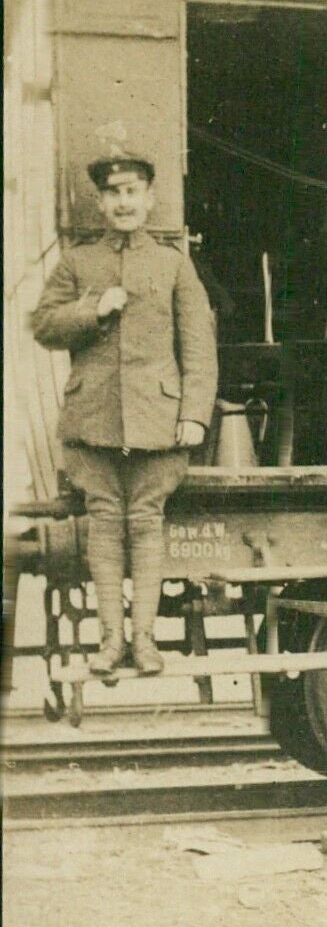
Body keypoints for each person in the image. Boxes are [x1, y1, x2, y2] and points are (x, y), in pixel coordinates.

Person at [31, 149, 216, 677]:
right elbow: (43, 325)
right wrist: (93, 309)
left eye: (133, 192)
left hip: (159, 422)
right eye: (113, 193)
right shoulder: (77, 262)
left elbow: (199, 346)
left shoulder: (173, 263)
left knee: (147, 523)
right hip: (93, 422)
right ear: (100, 202)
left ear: (150, 199)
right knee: (105, 523)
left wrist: (194, 414)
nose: (123, 202)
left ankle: (145, 641)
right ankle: (111, 642)